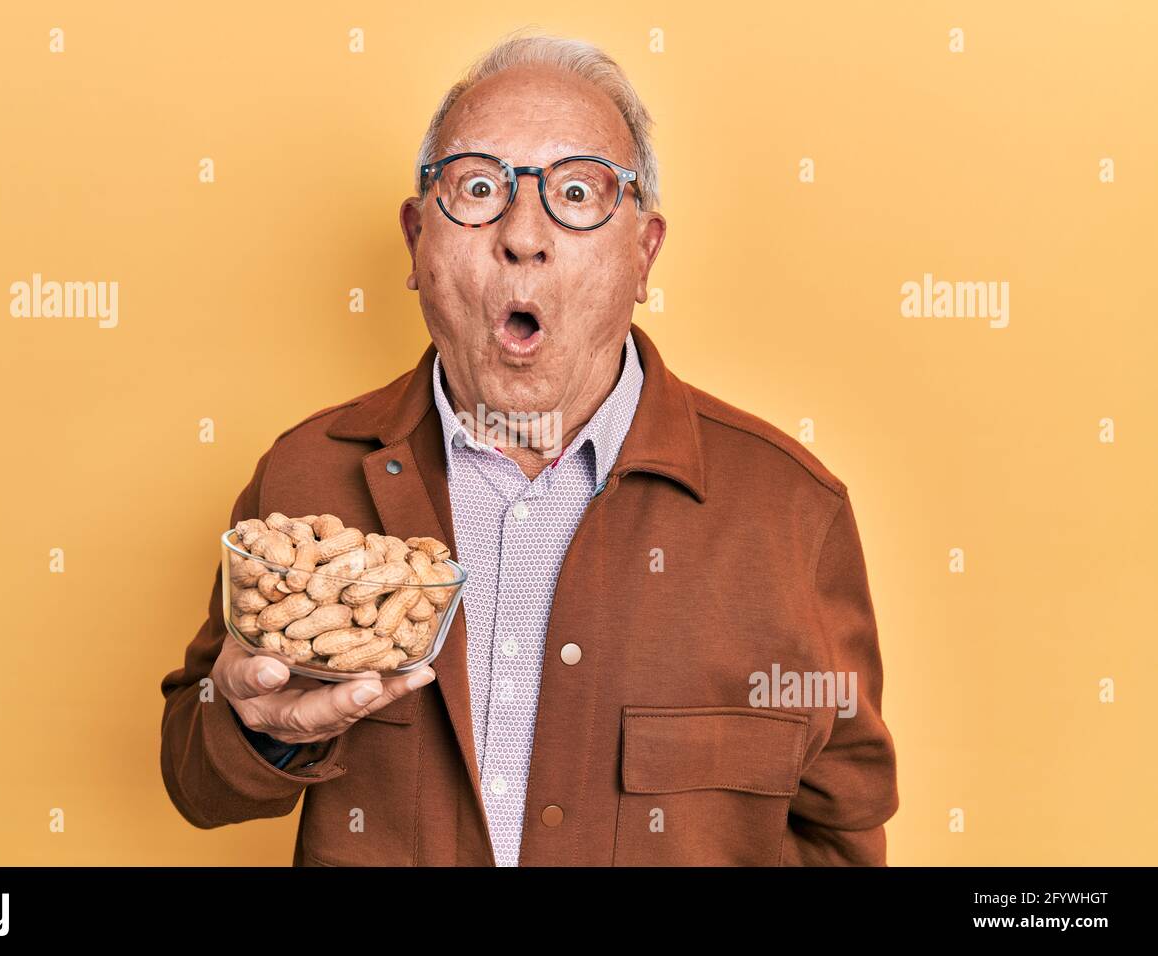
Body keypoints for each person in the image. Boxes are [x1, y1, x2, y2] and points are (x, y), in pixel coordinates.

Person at [159, 32, 898, 866]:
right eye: (477, 188)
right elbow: (198, 780)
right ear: (415, 243)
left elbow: (842, 831)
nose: (523, 235)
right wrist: (258, 728)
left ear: (643, 254)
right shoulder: (306, 475)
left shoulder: (792, 513)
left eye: (577, 194)